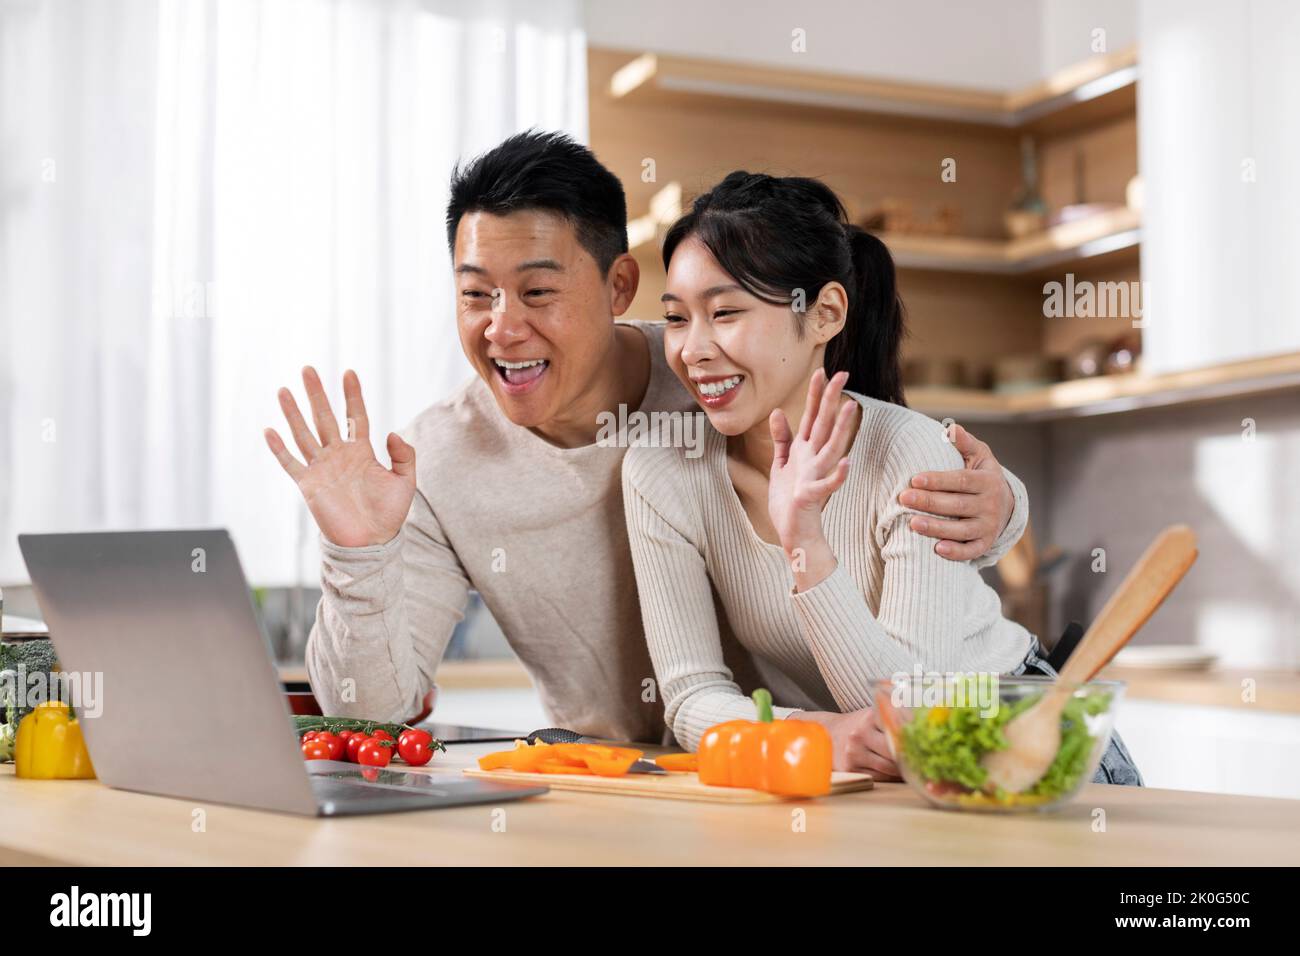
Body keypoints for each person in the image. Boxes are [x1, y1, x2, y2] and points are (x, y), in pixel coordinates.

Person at [264, 131, 1031, 746]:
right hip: (674, 770)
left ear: (618, 287)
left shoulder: (717, 384)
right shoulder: (442, 462)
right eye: (475, 294)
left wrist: (1002, 512)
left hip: (827, 757)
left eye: (537, 291)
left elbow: (881, 453)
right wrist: (359, 556)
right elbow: (368, 712)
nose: (502, 326)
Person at [622, 170, 1143, 785]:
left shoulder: (909, 451)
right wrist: (818, 735)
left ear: (825, 314)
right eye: (677, 319)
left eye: (726, 312)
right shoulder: (661, 471)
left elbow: (910, 709)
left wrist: (805, 543)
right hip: (881, 777)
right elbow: (691, 697)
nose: (693, 349)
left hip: (1027, 746)